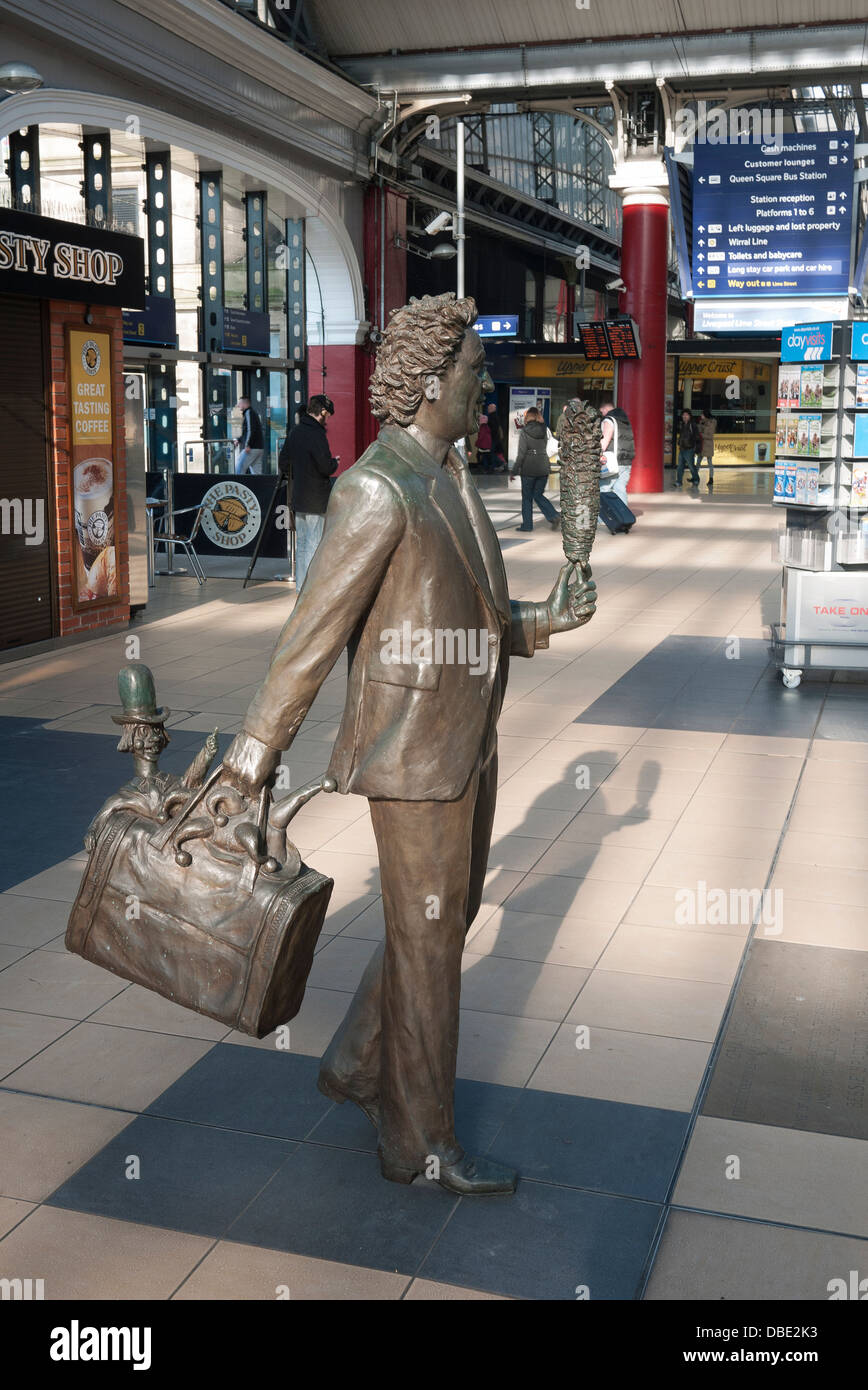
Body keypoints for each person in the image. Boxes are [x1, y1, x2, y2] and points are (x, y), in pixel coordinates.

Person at [221, 292, 596, 1196]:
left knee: (442, 922)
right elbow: (309, 637)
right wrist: (251, 758)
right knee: (429, 949)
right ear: (430, 381)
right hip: (414, 757)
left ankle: (357, 1062)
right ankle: (419, 1142)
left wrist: (540, 620)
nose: (486, 386)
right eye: (475, 372)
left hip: (469, 741)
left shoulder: (453, 475)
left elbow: (465, 612)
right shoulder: (376, 489)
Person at [278, 394, 338, 589]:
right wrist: (334, 463)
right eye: (327, 415)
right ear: (321, 412)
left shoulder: (295, 432)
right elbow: (325, 467)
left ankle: (301, 586)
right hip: (316, 498)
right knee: (314, 544)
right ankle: (311, 588)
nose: (327, 419)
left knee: (302, 544)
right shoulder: (317, 434)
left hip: (299, 497)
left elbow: (283, 462)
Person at [510, 406, 561, 532]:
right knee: (538, 495)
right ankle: (554, 515)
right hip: (543, 465)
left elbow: (521, 454)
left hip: (529, 467)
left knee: (527, 498)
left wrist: (514, 471)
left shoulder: (525, 431)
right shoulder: (545, 430)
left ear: (528, 417)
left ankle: (527, 525)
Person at [599, 398, 635, 509]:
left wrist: (599, 453)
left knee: (604, 489)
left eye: (601, 411)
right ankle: (624, 517)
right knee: (620, 489)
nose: (602, 414)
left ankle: (602, 518)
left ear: (605, 409)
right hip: (626, 461)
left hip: (613, 462)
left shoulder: (609, 420)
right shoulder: (624, 420)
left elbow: (605, 440)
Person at [234, 396, 264, 474]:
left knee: (239, 468)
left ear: (245, 404)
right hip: (259, 448)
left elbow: (251, 430)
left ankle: (238, 485)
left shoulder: (249, 413)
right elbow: (248, 431)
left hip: (251, 448)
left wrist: (247, 444)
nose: (238, 405)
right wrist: (239, 439)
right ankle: (257, 486)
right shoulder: (253, 413)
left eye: (239, 403)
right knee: (257, 473)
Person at [676, 409, 701, 487]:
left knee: (691, 466)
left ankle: (696, 479)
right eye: (683, 415)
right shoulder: (682, 425)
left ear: (690, 416)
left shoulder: (692, 425)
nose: (684, 416)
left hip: (689, 449)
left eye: (686, 415)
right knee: (680, 466)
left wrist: (695, 448)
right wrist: (679, 442)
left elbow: (697, 437)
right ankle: (679, 482)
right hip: (682, 448)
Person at [698, 410, 717, 489]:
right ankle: (695, 477)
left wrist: (701, 435)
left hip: (708, 445)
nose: (701, 416)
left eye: (702, 414)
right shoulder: (702, 422)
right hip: (702, 445)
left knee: (709, 463)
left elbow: (710, 436)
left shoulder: (711, 423)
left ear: (705, 415)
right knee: (698, 461)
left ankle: (711, 478)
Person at [486, 403, 507, 471]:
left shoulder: (492, 417)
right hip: (496, 438)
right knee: (495, 452)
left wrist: (489, 434)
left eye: (489, 408)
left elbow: (493, 428)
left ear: (492, 409)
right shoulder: (495, 416)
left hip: (493, 438)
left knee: (491, 452)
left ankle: (501, 463)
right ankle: (497, 465)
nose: (487, 409)